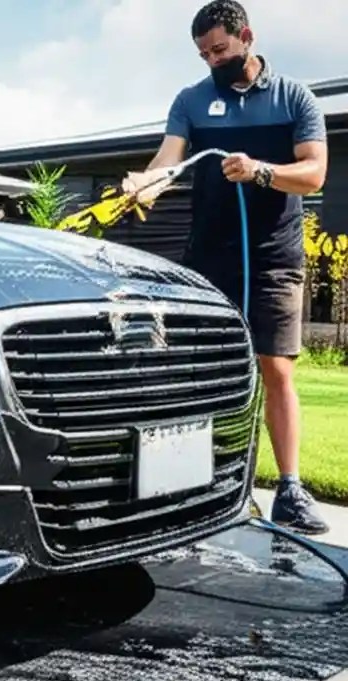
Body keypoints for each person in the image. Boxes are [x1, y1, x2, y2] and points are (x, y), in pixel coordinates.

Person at [122, 0, 330, 534]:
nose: (213, 60)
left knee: (276, 368)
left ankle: (289, 489)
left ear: (247, 37)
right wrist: (146, 181)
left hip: (272, 257)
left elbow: (314, 175)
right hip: (208, 257)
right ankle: (194, 483)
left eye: (220, 49)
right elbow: (169, 159)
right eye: (204, 54)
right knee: (200, 373)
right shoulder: (192, 100)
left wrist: (260, 171)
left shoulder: (294, 97)